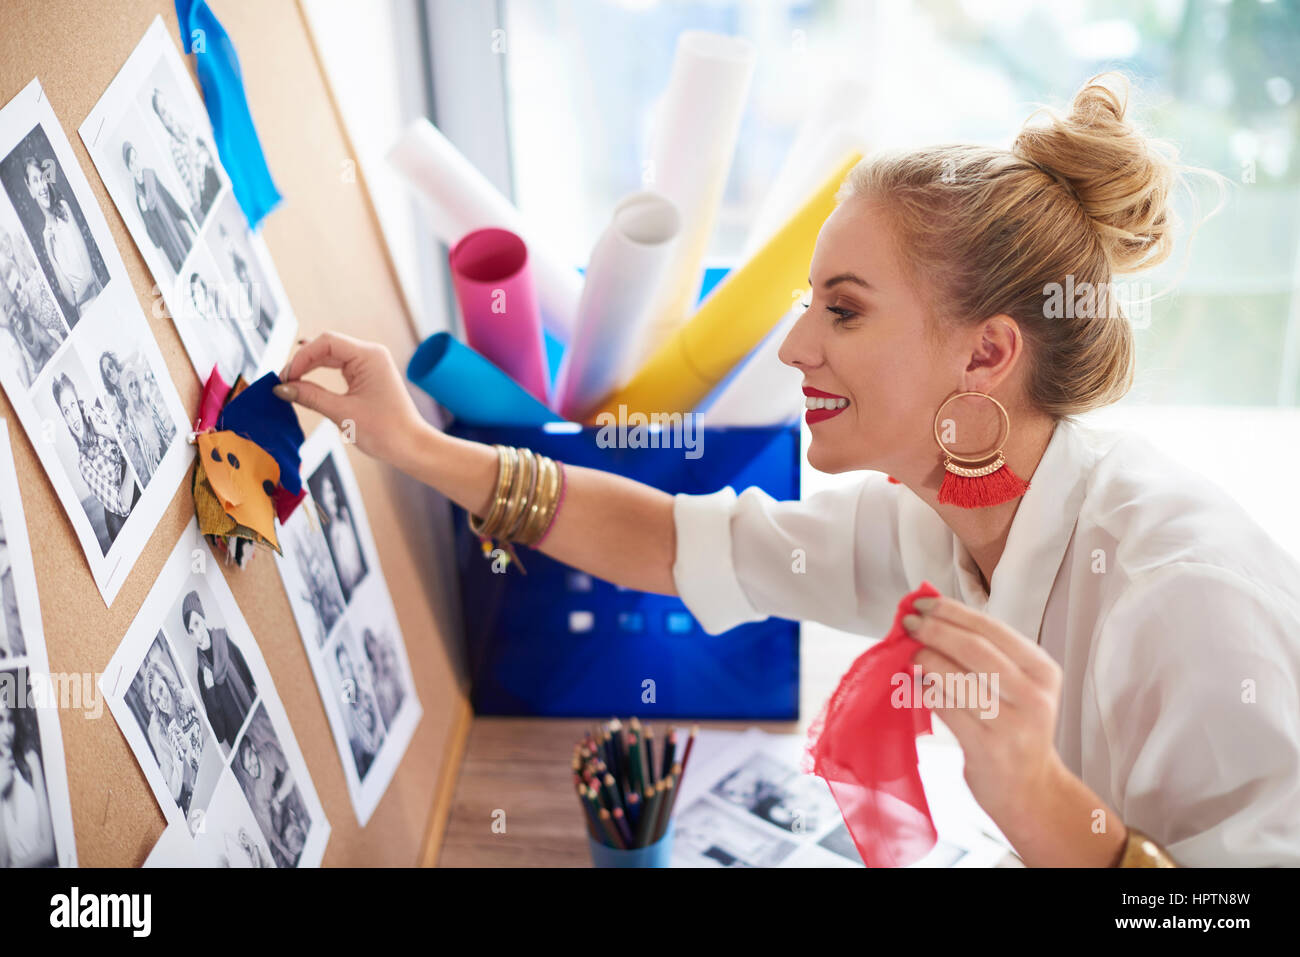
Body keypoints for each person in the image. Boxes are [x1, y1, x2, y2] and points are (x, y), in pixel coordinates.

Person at [273, 73, 1300, 868]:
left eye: (842, 310)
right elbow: (668, 542)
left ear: (985, 356)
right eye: (808, 302)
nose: (793, 346)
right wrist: (410, 446)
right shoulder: (931, 516)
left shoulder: (1181, 598)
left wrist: (1038, 799)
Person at [52, 373, 137, 542]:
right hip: (121, 516)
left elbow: (124, 435)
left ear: (79, 403)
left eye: (72, 405)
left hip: (132, 481)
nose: (72, 416)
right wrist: (132, 459)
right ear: (64, 418)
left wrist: (98, 429)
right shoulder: (84, 464)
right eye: (65, 411)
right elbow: (124, 505)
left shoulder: (96, 415)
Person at [23, 157, 102, 320]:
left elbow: (89, 276)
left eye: (44, 178)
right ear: (30, 189)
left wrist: (76, 299)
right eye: (35, 181)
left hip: (98, 299)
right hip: (85, 315)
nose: (42, 186)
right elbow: (69, 298)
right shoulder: (47, 238)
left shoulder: (64, 210)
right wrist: (51, 256)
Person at [179, 590, 256, 751]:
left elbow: (252, 681)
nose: (197, 634)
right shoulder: (202, 674)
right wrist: (211, 690)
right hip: (241, 749)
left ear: (203, 618)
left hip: (258, 725)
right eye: (190, 631)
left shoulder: (225, 641)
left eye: (197, 624)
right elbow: (219, 734)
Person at [0, 690, 55, 867]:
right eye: (0, 721)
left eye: (10, 720)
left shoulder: (29, 760)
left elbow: (48, 849)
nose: (8, 730)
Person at [122, 140, 194, 274]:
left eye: (135, 158)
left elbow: (168, 198)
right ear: (129, 168)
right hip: (168, 244)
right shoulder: (139, 197)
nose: (136, 164)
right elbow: (152, 232)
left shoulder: (151, 175)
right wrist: (145, 212)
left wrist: (186, 218)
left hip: (175, 228)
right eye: (131, 163)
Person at [143, 658, 203, 813]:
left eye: (161, 690)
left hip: (209, 770)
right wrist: (178, 758)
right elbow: (174, 793)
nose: (162, 701)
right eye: (156, 699)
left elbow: (207, 737)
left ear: (167, 682)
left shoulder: (187, 698)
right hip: (194, 798)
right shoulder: (161, 736)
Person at [150, 89, 219, 221]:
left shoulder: (188, 127)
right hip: (208, 196)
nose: (168, 113)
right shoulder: (175, 148)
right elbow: (196, 198)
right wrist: (192, 157)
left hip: (215, 176)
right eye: (163, 112)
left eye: (166, 105)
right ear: (162, 120)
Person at [187, 271, 254, 381]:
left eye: (202, 288)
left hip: (243, 364)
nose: (202, 293)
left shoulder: (216, 306)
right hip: (232, 375)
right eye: (197, 292)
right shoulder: (203, 330)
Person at [334, 642, 382, 777]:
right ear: (341, 674)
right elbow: (371, 745)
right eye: (343, 669)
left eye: (348, 665)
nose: (348, 672)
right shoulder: (352, 710)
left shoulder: (365, 683)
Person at [318, 474, 365, 599]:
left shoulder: (346, 516)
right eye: (328, 492)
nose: (333, 496)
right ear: (323, 498)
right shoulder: (331, 535)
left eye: (333, 490)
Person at [362, 628, 403, 728]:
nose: (372, 648)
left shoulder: (390, 667)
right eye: (368, 647)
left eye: (372, 640)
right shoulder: (374, 682)